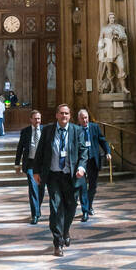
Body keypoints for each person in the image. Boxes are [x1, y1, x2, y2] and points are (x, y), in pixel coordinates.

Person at [32, 103, 88, 256]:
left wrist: (81, 167)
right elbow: (40, 151)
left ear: (70, 116)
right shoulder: (48, 130)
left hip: (71, 176)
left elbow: (83, 151)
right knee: (56, 207)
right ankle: (58, 243)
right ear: (56, 115)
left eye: (67, 114)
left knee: (70, 207)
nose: (64, 116)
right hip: (53, 175)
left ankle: (65, 230)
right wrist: (36, 171)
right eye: (61, 113)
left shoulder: (76, 131)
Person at [76, 108, 110, 221]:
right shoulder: (76, 130)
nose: (85, 120)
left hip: (93, 160)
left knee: (93, 186)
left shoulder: (94, 127)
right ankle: (85, 210)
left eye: (86, 118)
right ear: (79, 119)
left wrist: (107, 152)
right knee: (82, 186)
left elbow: (102, 140)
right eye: (82, 118)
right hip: (81, 162)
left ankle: (89, 205)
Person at [15, 109, 46, 223]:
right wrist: (17, 164)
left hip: (42, 164)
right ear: (31, 119)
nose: (37, 121)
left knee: (41, 188)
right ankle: (35, 214)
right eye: (35, 118)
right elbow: (20, 148)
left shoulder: (45, 130)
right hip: (30, 164)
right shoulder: (25, 131)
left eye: (39, 118)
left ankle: (37, 208)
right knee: (33, 188)